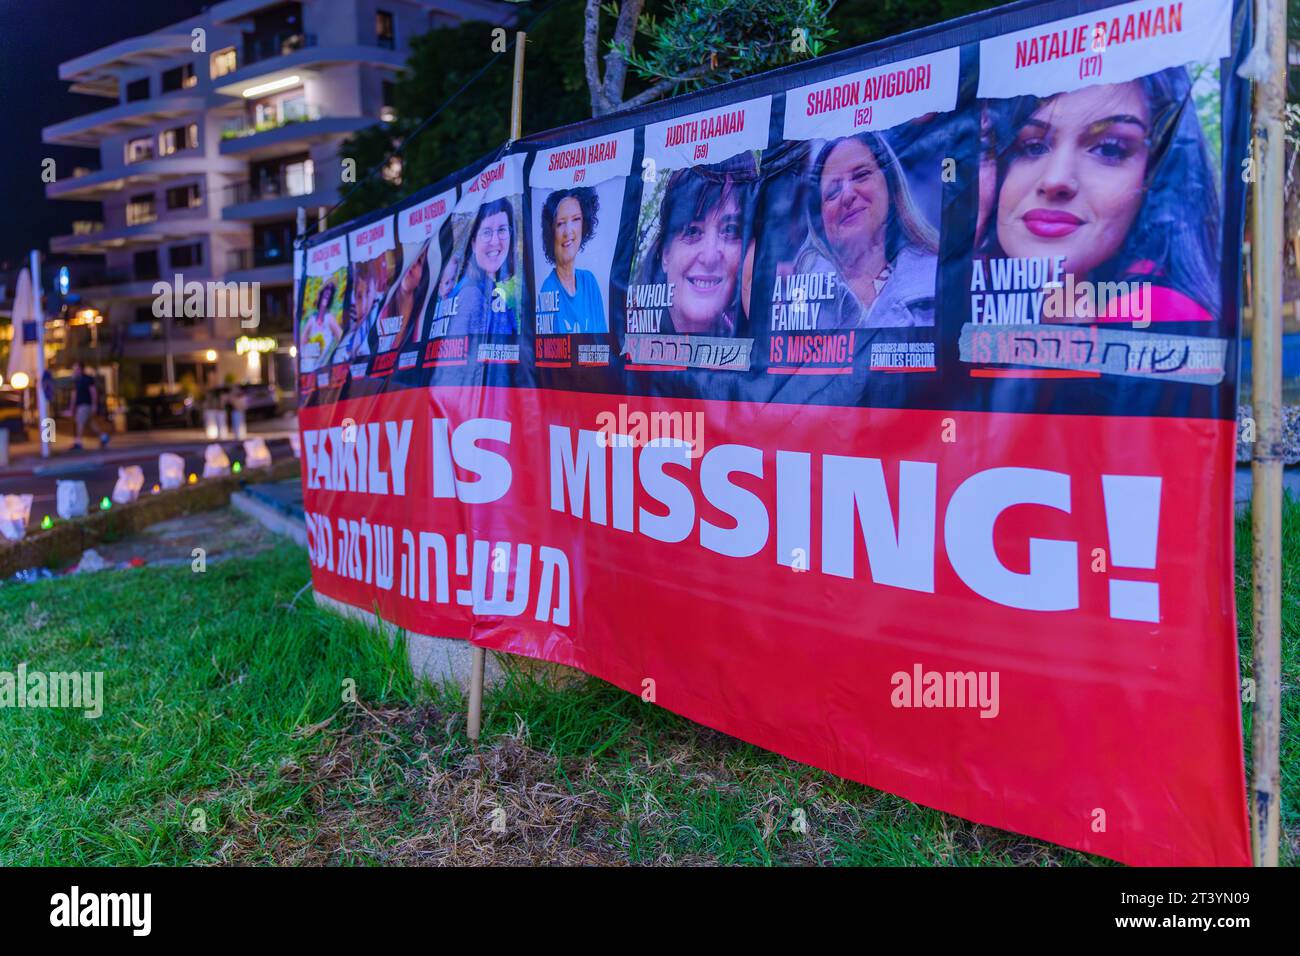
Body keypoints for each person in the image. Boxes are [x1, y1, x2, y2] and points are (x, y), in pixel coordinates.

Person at [981, 67, 1219, 323]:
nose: (1055, 179)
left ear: (1157, 178)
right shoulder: (973, 307)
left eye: (1109, 149)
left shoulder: (1158, 315)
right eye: (1033, 147)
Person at [800, 131, 939, 328]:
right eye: (832, 192)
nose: (847, 195)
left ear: (891, 187)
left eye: (861, 175)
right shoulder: (797, 295)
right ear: (819, 220)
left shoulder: (941, 276)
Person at [636, 157, 757, 336]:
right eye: (692, 231)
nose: (709, 258)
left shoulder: (755, 352)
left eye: (730, 231)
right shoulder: (623, 339)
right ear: (666, 253)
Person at [537, 187, 606, 333]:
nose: (568, 231)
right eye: (561, 223)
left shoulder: (590, 282)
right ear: (551, 232)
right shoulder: (548, 291)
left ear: (584, 225)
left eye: (576, 219)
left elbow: (604, 343)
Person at [447, 199, 518, 336]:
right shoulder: (472, 295)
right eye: (486, 232)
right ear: (473, 243)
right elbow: (459, 354)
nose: (495, 241)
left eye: (502, 230)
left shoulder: (488, 289)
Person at [375, 240, 431, 351]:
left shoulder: (423, 315)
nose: (413, 263)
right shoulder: (381, 309)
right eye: (411, 256)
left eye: (419, 261)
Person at [299, 280, 342, 371]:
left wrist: (334, 354)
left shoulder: (329, 318)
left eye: (328, 296)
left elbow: (341, 337)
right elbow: (302, 342)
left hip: (325, 364)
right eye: (324, 295)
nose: (326, 298)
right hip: (310, 365)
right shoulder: (312, 320)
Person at [69, 361, 108, 450]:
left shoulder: (87, 379)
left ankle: (78, 443)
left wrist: (94, 405)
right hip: (80, 405)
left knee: (80, 422)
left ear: (81, 369)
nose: (75, 370)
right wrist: (72, 407)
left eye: (77, 368)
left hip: (85, 405)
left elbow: (93, 392)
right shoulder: (76, 380)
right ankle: (104, 437)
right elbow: (74, 394)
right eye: (74, 369)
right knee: (91, 424)